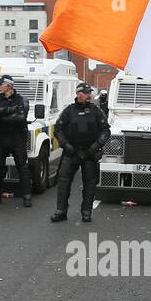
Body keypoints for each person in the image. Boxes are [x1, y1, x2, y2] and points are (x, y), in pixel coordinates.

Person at [50, 82, 108, 223]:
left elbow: (105, 130)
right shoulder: (69, 111)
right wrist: (65, 145)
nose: (89, 95)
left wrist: (96, 146)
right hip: (72, 152)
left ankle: (86, 212)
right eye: (86, 93)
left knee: (89, 183)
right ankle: (61, 211)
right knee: (63, 182)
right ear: (78, 94)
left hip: (90, 152)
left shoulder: (96, 110)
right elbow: (58, 129)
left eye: (90, 93)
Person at [0, 74, 32, 208]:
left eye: (1, 84)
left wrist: (1, 116)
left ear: (9, 85)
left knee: (22, 168)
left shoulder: (22, 99)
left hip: (16, 138)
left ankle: (27, 196)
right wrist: (8, 111)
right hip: (0, 138)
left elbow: (20, 118)